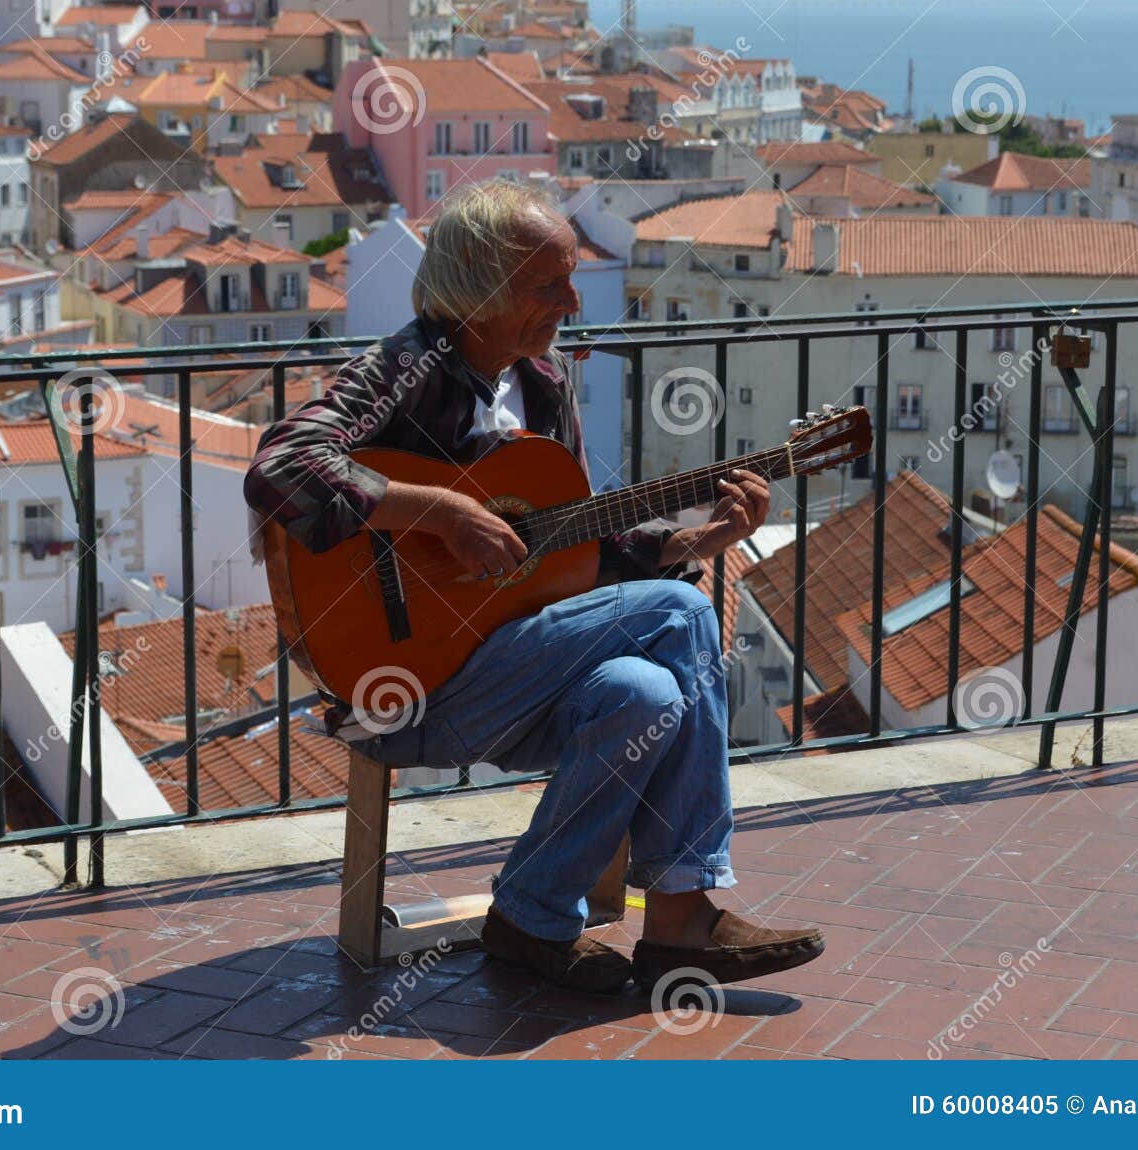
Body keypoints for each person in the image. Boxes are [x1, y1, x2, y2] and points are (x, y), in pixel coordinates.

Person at [244, 178, 824, 994]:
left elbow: (569, 551)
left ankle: (529, 916)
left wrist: (702, 538)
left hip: (519, 677)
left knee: (644, 692)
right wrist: (442, 512)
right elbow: (281, 469)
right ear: (479, 287)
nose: (571, 301)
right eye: (548, 284)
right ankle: (683, 917)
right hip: (406, 690)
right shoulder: (406, 371)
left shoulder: (543, 384)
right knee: (686, 609)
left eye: (572, 279)